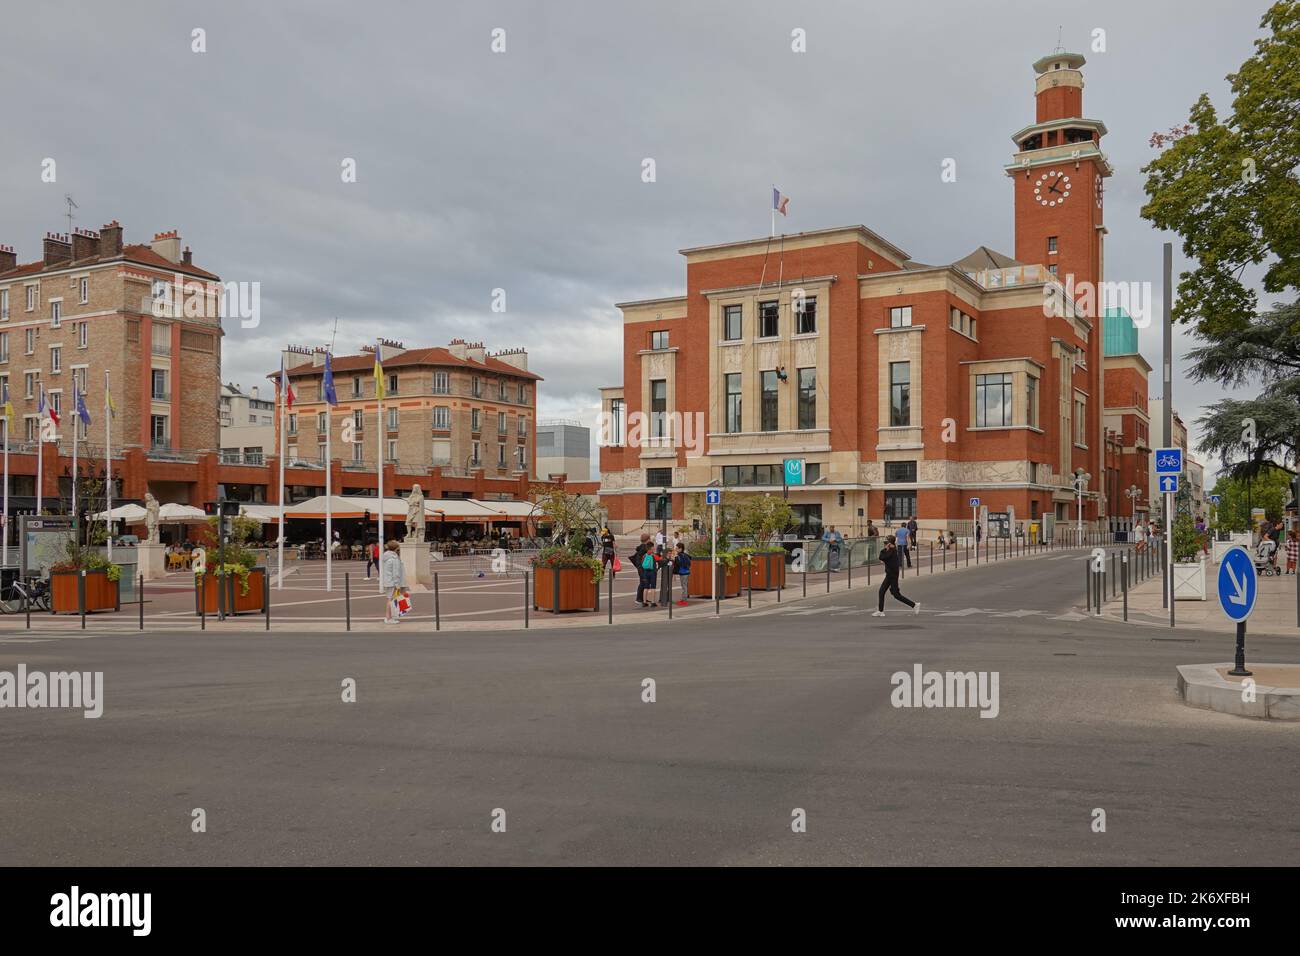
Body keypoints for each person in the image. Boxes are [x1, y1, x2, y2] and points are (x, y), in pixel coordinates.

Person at [873, 537, 918, 618]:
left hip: (892, 575)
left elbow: (882, 557)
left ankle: (914, 605)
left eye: (886, 543)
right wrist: (886, 549)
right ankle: (880, 611)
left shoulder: (891, 551)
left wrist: (885, 549)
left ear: (890, 543)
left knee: (896, 595)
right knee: (882, 591)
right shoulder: (891, 550)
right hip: (890, 575)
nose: (885, 544)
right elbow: (883, 557)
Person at [380, 540, 408, 625]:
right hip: (392, 582)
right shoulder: (394, 558)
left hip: (388, 581)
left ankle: (389, 617)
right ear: (396, 548)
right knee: (391, 600)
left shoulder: (387, 556)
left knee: (390, 599)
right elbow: (396, 573)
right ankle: (388, 617)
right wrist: (397, 584)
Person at [632, 534, 655, 607]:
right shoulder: (644, 548)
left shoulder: (641, 547)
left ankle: (643, 598)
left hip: (641, 567)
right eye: (650, 538)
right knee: (643, 583)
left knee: (643, 582)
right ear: (648, 539)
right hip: (642, 568)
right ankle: (639, 599)